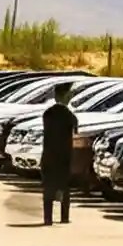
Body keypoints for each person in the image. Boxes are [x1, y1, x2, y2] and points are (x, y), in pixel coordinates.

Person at [40, 82, 78, 225]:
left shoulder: (47, 113)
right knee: (64, 186)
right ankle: (64, 216)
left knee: (48, 187)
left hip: (49, 155)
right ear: (65, 96)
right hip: (64, 156)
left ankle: (47, 217)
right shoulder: (69, 116)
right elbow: (75, 133)